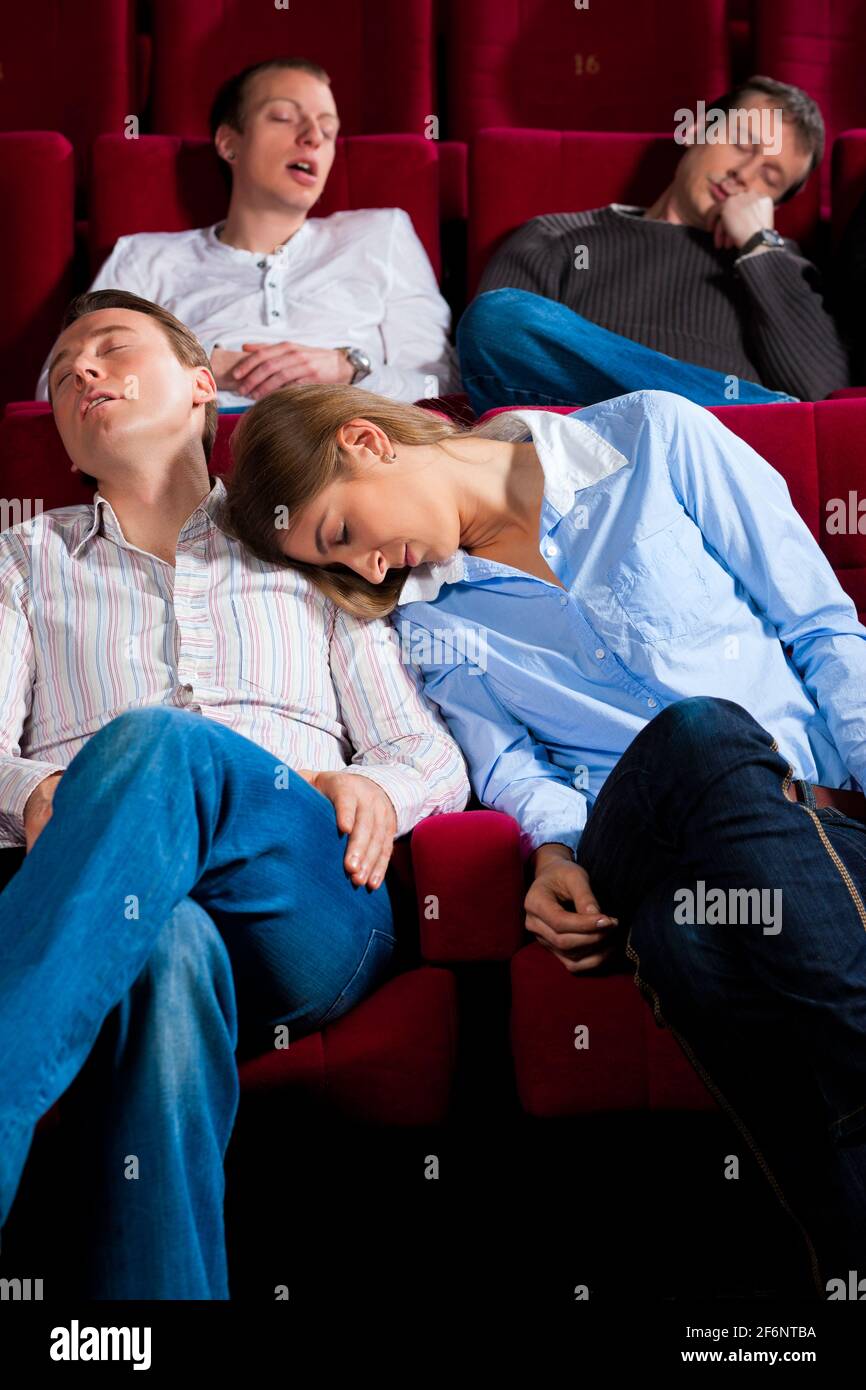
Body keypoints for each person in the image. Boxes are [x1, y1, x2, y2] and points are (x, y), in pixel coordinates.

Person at [224, 381, 866, 1295]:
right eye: (341, 567)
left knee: (685, 946)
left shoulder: (655, 435)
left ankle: (841, 1260)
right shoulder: (427, 619)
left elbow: (821, 627)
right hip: (641, 832)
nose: (368, 571)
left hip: (808, 819)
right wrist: (554, 857)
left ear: (365, 440)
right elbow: (514, 769)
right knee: (696, 734)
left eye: (341, 535)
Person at [0, 291, 470, 1299]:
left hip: (302, 900)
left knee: (164, 743)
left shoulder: (299, 534)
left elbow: (420, 748)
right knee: (164, 951)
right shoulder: (22, 561)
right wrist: (34, 787)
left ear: (203, 389)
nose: (85, 375)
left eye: (114, 351)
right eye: (65, 373)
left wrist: (375, 785)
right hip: (111, 904)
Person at [34, 58, 458, 407]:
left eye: (328, 131)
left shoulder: (381, 234)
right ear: (229, 143)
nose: (313, 137)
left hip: (354, 448)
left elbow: (441, 388)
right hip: (198, 465)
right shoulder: (144, 257)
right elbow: (58, 388)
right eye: (284, 117)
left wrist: (350, 368)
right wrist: (196, 369)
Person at [458, 76, 849, 413]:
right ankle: (719, 413)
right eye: (742, 143)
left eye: (770, 175)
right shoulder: (555, 237)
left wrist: (761, 249)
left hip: (722, 461)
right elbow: (492, 358)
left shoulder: (778, 266)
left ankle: (715, 418)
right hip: (589, 448)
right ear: (697, 128)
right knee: (495, 316)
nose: (742, 173)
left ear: (773, 203)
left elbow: (824, 395)